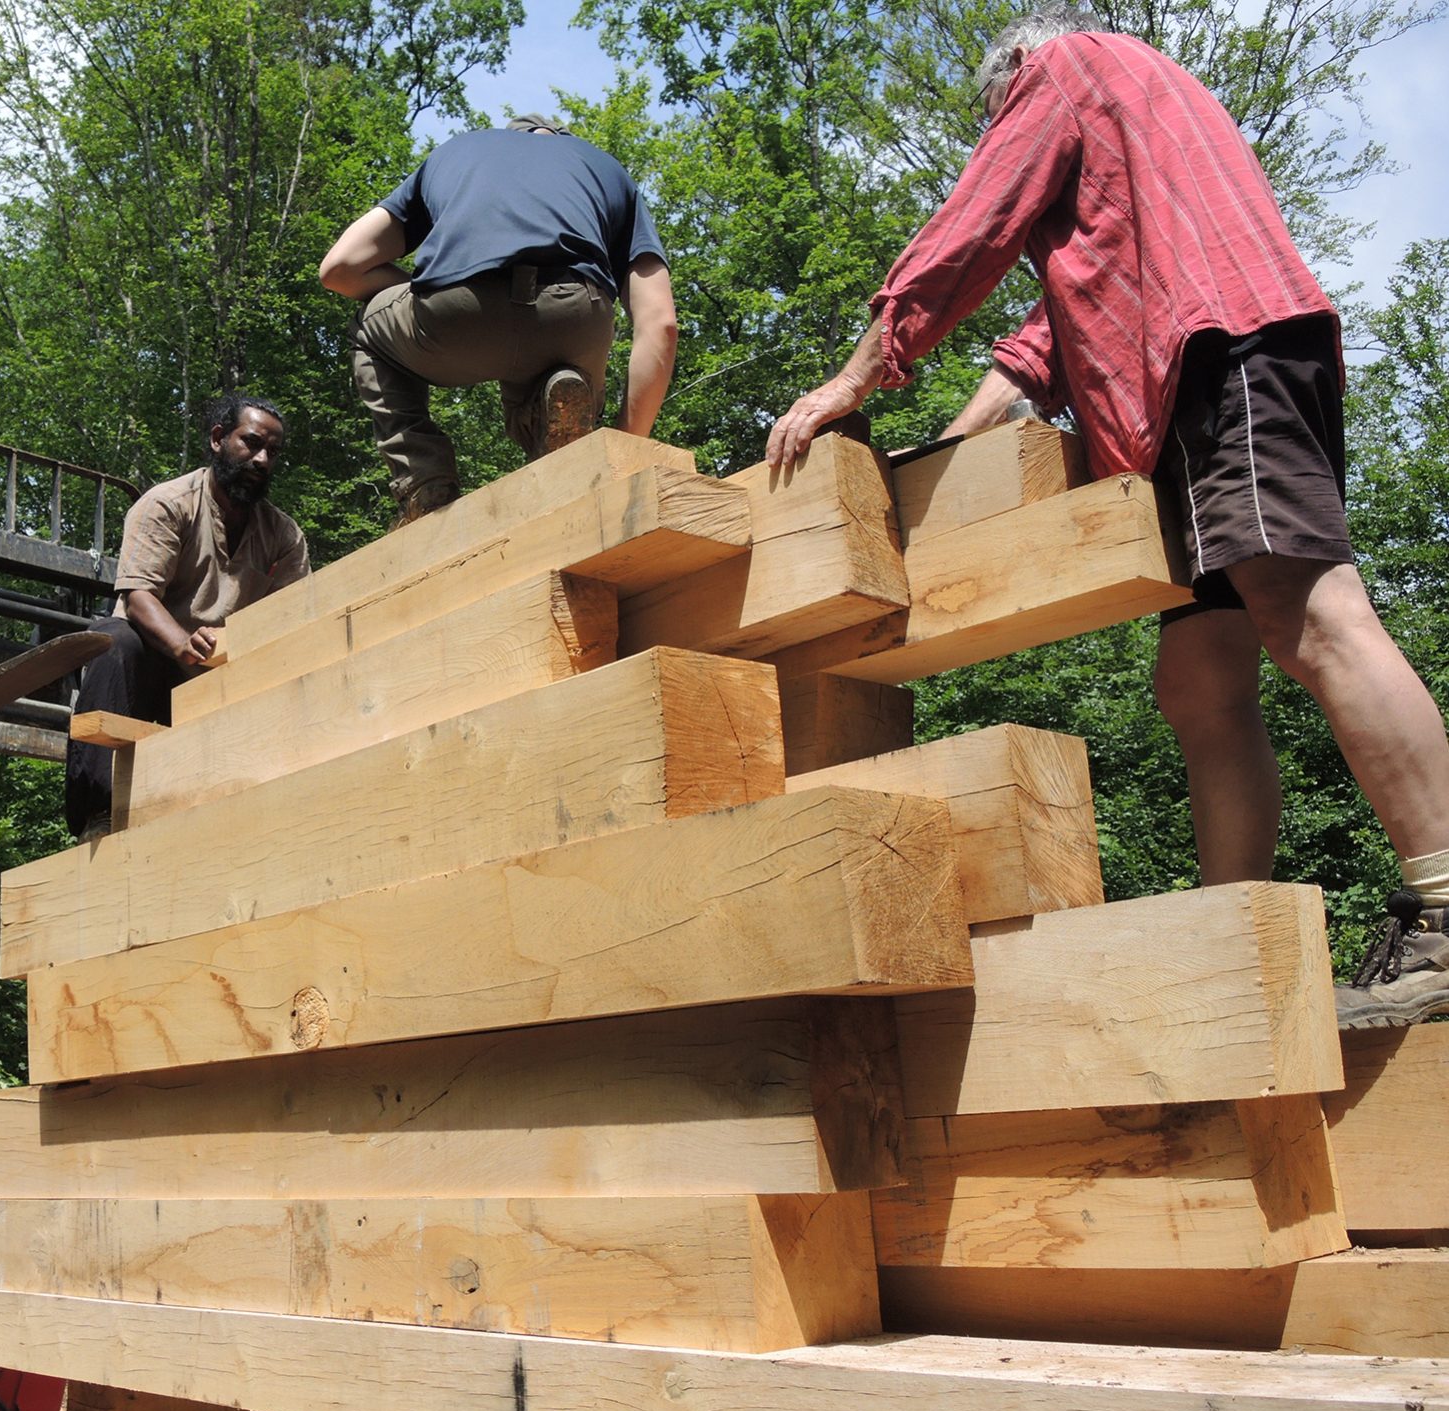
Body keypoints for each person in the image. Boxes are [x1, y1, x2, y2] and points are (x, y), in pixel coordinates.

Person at [763, 7, 1449, 1027]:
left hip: (1228, 359)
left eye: (995, 114)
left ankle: (1442, 906)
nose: (999, 127)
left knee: (1314, 617)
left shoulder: (1063, 67)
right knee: (1200, 679)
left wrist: (855, 378)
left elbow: (973, 228)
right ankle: (1235, 950)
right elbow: (1041, 346)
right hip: (1194, 378)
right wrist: (939, 465)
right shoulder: (1135, 127)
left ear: (1010, 80)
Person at [319, 113, 679, 523]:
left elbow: (339, 268)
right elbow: (660, 323)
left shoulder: (454, 152)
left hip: (456, 311)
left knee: (370, 328)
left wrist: (434, 291)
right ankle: (549, 411)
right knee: (554, 369)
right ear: (564, 140)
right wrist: (623, 453)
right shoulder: (608, 171)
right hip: (575, 316)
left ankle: (424, 481)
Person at [64, 394, 310, 839]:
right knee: (111, 640)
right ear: (218, 439)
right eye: (251, 444)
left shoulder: (285, 536)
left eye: (272, 452)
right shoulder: (168, 504)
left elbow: (293, 620)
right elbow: (138, 595)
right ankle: (99, 815)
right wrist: (182, 643)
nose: (261, 459)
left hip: (227, 678)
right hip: (155, 667)